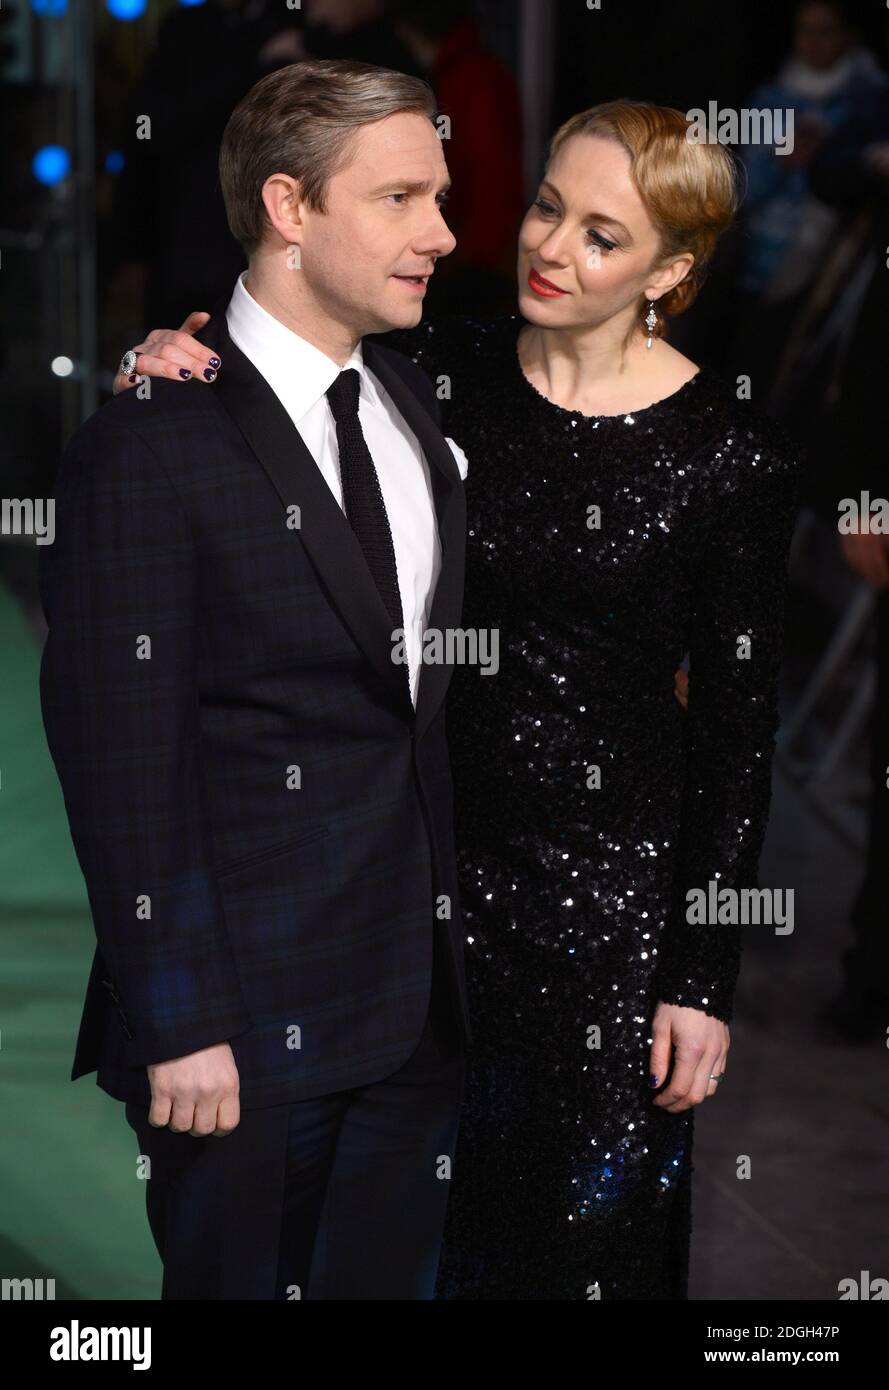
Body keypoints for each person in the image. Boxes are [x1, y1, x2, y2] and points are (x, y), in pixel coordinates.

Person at [115, 96, 802, 1299]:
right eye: (548, 206)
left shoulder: (727, 460)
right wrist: (165, 352)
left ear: (671, 271)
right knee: (405, 1248)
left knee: (580, 1245)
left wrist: (700, 975)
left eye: (602, 235)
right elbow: (277, 378)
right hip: (417, 895)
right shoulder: (435, 366)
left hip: (605, 921)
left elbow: (740, 734)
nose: (550, 247)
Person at [39, 59, 470, 1301]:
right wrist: (175, 1016)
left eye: (438, 197)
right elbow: (120, 758)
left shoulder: (416, 386)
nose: (440, 234)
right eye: (400, 199)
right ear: (289, 209)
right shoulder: (148, 446)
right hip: (243, 1036)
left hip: (418, 1011)